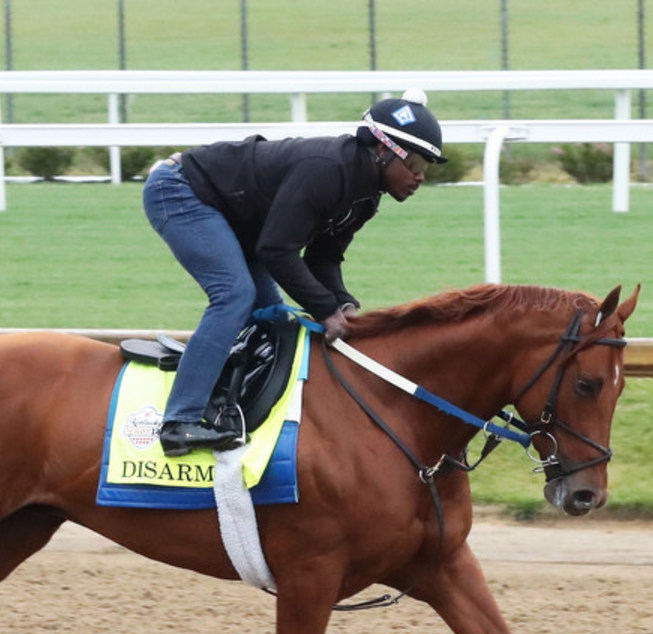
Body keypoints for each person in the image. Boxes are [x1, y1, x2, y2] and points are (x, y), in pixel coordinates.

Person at [143, 89, 448, 457]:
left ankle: (227, 404)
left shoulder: (366, 196)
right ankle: (180, 422)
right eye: (414, 164)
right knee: (235, 295)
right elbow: (276, 251)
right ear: (383, 150)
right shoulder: (326, 169)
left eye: (426, 167)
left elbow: (323, 259)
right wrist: (325, 310)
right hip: (180, 189)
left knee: (273, 319)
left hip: (238, 217)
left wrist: (344, 304)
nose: (420, 177)